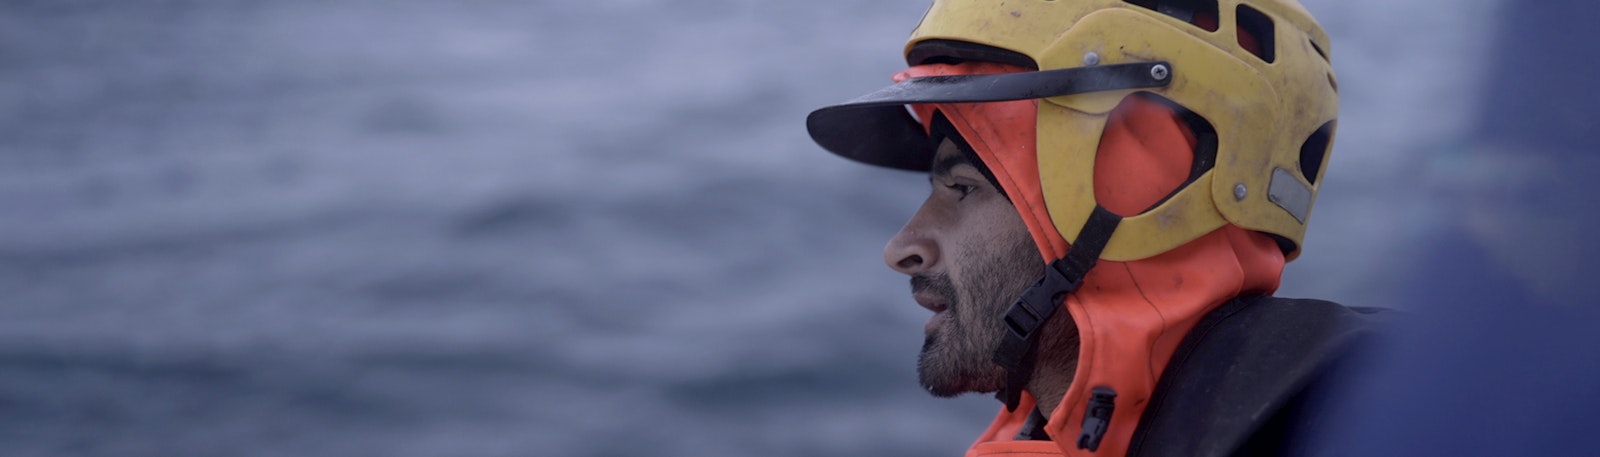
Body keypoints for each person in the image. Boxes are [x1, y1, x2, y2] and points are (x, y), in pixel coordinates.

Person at [805, 1, 1387, 455]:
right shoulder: (1050, 434)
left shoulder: (1367, 414)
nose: (903, 248)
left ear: (1140, 195)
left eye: (964, 188)